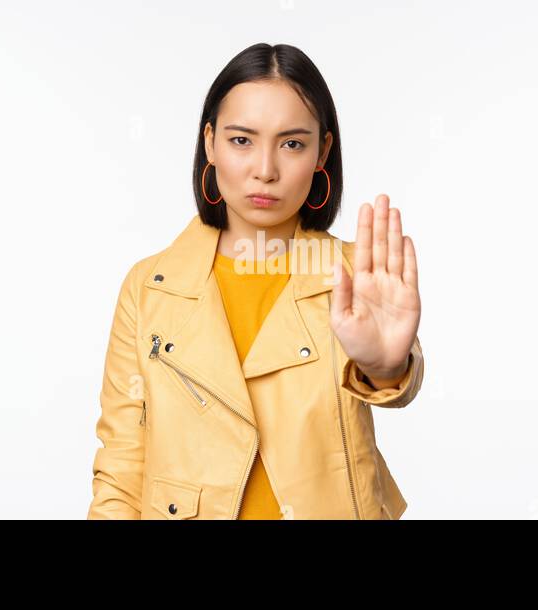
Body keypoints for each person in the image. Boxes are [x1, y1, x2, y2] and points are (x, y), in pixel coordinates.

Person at [88, 43, 424, 520]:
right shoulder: (148, 288)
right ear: (209, 143)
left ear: (322, 151)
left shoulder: (355, 274)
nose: (265, 170)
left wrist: (387, 369)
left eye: (292, 143)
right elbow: (121, 467)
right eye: (241, 140)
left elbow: (400, 375)